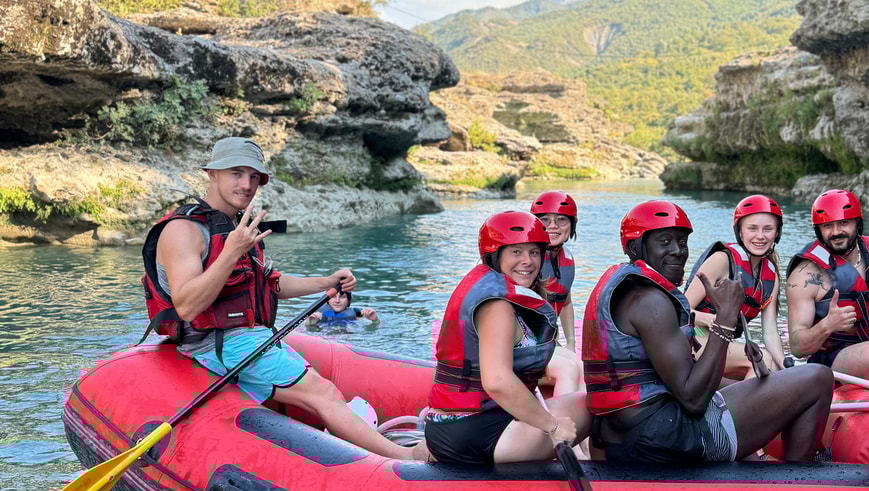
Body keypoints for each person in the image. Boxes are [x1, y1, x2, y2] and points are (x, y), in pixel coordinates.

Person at [141, 137, 427, 461]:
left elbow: (271, 285)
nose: (246, 184)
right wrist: (232, 251)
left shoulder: (238, 227)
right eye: (236, 173)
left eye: (254, 177)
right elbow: (187, 305)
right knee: (325, 393)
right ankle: (405, 459)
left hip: (248, 335)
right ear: (212, 174)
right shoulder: (185, 230)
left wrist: (328, 281)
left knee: (318, 389)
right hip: (217, 342)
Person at [582, 201, 833, 464]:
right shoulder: (650, 301)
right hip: (664, 438)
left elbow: (665, 377)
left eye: (682, 242)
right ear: (635, 247)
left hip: (619, 435)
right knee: (818, 376)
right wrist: (724, 319)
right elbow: (693, 399)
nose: (678, 251)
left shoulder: (627, 288)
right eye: (665, 241)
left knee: (755, 384)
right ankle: (798, 485)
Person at [425, 211, 592, 464]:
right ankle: (606, 475)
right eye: (516, 252)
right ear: (496, 254)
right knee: (595, 404)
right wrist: (554, 426)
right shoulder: (497, 305)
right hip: (476, 435)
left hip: (457, 427)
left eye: (534, 252)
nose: (527, 261)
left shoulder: (484, 284)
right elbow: (497, 381)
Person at [785, 189, 869, 380]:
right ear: (818, 229)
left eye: (844, 223)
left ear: (858, 223)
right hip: (833, 360)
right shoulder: (805, 276)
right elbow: (797, 348)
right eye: (827, 225)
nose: (836, 232)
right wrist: (827, 325)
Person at [682, 195, 785, 380]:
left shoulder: (772, 277)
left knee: (776, 369)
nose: (760, 236)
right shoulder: (722, 260)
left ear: (777, 233)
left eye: (768, 229)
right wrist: (709, 319)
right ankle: (743, 409)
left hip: (722, 343)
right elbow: (679, 309)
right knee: (762, 359)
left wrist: (784, 364)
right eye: (752, 228)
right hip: (693, 335)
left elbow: (770, 332)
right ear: (740, 232)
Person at [529, 191, 583, 397]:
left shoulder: (567, 259)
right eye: (545, 220)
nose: (553, 226)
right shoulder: (525, 261)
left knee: (584, 367)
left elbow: (565, 302)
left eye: (561, 220)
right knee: (569, 370)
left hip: (548, 343)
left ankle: (581, 424)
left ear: (572, 225)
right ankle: (559, 424)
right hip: (524, 345)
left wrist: (571, 343)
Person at [305, 291, 379, 327]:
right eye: (333, 297)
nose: (337, 301)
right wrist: (310, 325)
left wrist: (375, 320)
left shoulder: (358, 315)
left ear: (348, 300)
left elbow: (375, 330)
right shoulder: (316, 316)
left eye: (342, 297)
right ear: (327, 300)